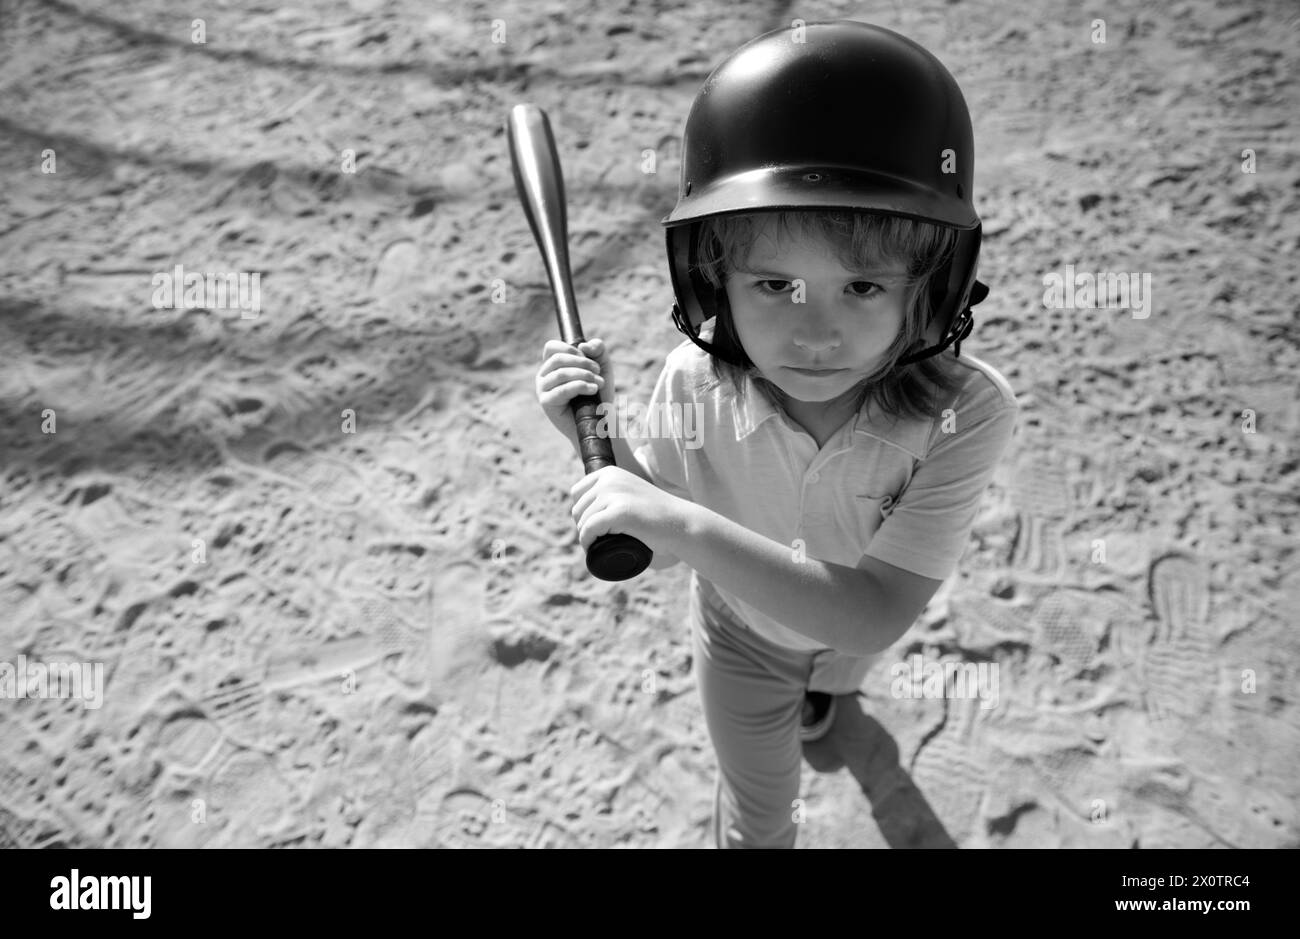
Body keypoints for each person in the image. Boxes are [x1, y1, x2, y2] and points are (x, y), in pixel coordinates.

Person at [535, 20, 1019, 848]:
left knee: (838, 669)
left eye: (863, 284)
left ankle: (826, 695)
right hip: (742, 637)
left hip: (846, 637)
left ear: (932, 290)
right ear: (711, 279)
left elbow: (868, 614)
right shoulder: (693, 380)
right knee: (760, 815)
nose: (815, 334)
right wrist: (598, 445)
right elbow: (648, 534)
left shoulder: (965, 412)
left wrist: (676, 521)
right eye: (773, 283)